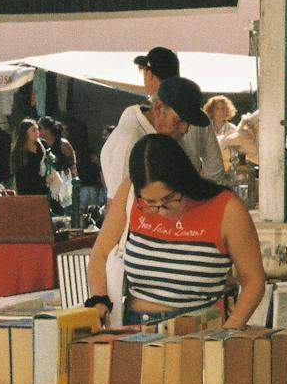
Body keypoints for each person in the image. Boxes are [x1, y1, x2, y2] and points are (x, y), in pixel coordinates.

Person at [89, 133, 265, 329]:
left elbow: (254, 281)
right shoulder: (129, 194)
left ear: (183, 179)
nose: (162, 211)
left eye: (169, 198)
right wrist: (98, 300)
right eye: (150, 203)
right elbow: (100, 254)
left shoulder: (227, 208)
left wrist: (229, 331)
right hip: (135, 327)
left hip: (199, 329)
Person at [101, 73, 226, 195]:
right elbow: (117, 209)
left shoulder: (165, 136)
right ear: (159, 108)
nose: (185, 129)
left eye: (188, 123)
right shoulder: (129, 142)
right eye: (179, 120)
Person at [10, 118, 51, 197]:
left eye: (37, 129)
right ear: (25, 133)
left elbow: (49, 162)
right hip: (27, 191)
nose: (37, 132)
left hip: (44, 188)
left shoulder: (42, 145)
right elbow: (23, 177)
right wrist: (43, 180)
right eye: (33, 130)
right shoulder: (19, 152)